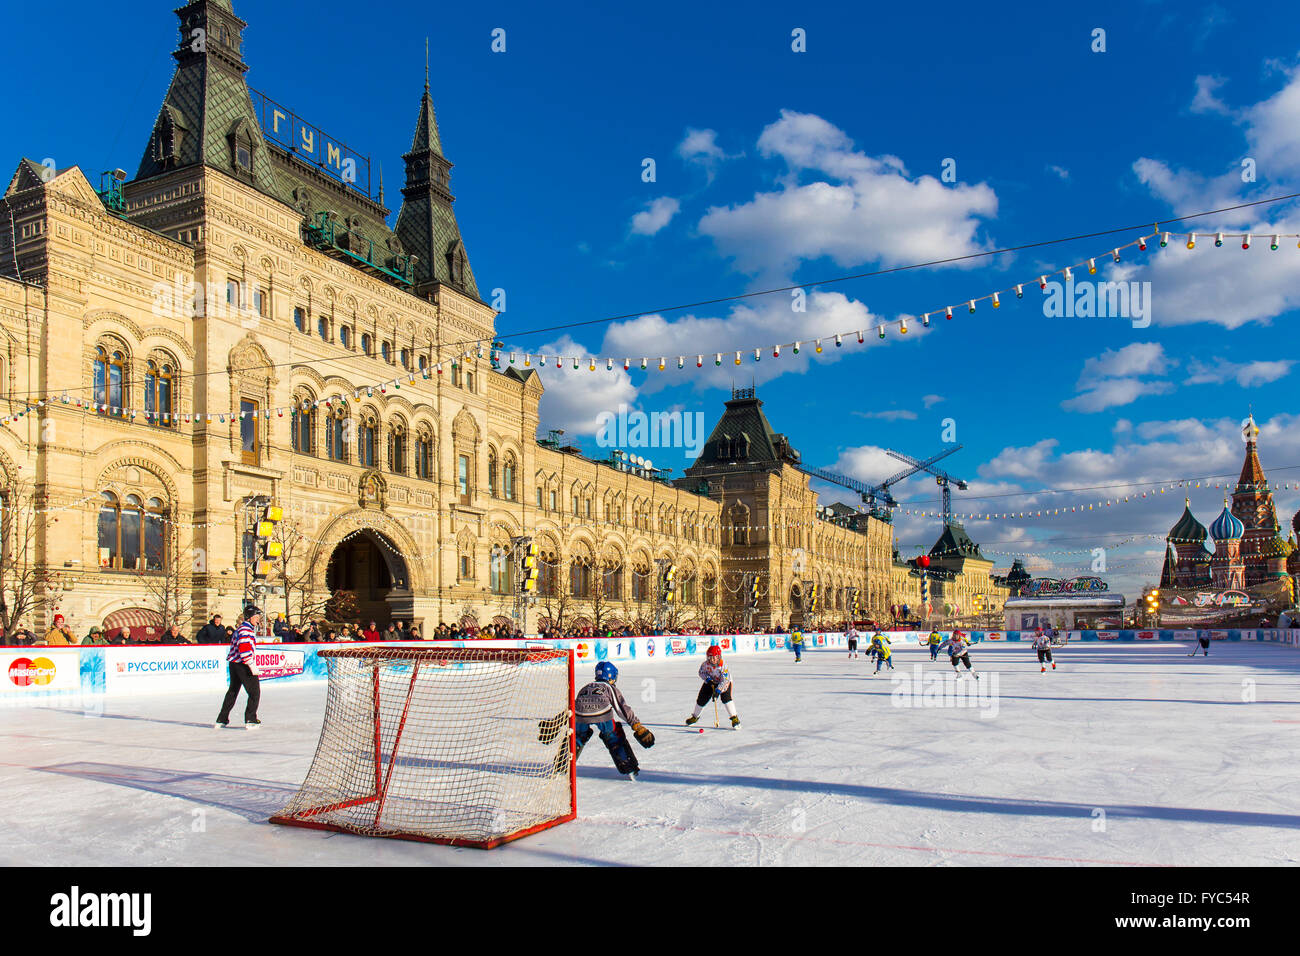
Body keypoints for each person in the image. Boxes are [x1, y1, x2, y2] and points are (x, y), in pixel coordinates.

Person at [561, 661, 653, 778]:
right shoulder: (609, 687)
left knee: (577, 737)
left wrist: (558, 721)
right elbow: (622, 708)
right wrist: (636, 726)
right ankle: (628, 767)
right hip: (601, 713)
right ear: (612, 676)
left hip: (581, 715)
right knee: (613, 736)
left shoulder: (586, 686)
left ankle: (562, 764)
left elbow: (574, 705)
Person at [216, 606, 262, 729]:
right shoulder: (245, 630)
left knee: (233, 691)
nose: (258, 620)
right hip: (243, 664)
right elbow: (245, 649)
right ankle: (250, 719)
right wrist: (251, 665)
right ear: (249, 617)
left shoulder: (243, 629)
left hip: (234, 663)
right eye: (256, 617)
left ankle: (222, 719)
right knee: (254, 692)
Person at [686, 645, 740, 729]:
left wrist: (718, 691)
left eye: (715, 657)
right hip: (711, 681)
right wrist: (708, 680)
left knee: (726, 698)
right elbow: (701, 672)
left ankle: (734, 718)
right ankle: (695, 717)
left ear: (719, 657)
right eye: (710, 657)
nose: (713, 660)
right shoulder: (705, 664)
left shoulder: (723, 666)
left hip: (724, 682)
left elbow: (725, 681)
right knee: (701, 698)